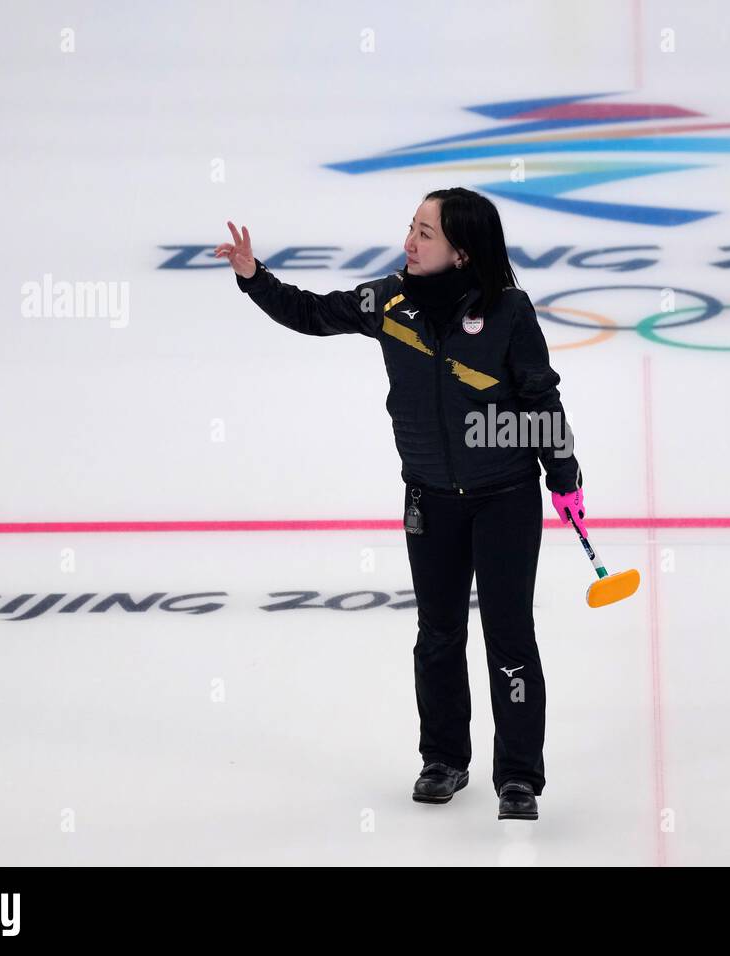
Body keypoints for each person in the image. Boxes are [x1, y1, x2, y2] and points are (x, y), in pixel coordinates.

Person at [216, 187, 586, 821]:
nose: (410, 242)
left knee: (509, 637)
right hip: (430, 499)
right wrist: (255, 278)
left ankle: (518, 776)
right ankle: (443, 759)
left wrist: (563, 471)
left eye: (425, 233)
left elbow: (539, 398)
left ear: (461, 252)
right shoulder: (387, 302)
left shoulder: (509, 311)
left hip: (505, 497)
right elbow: (311, 313)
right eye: (411, 227)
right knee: (438, 636)